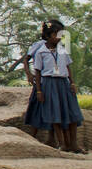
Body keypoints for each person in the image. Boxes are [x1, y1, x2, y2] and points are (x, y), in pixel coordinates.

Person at [32, 18, 87, 154]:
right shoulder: (40, 52)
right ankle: (62, 144)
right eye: (57, 35)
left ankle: (74, 143)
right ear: (49, 35)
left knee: (73, 113)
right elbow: (38, 72)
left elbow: (68, 67)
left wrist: (72, 82)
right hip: (49, 83)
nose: (60, 38)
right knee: (55, 114)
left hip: (63, 83)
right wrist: (39, 90)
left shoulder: (62, 50)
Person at [16, 27, 59, 148]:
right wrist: (29, 74)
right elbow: (26, 59)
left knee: (52, 109)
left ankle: (51, 138)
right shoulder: (39, 45)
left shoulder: (58, 47)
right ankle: (32, 135)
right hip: (41, 80)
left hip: (53, 80)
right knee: (36, 107)